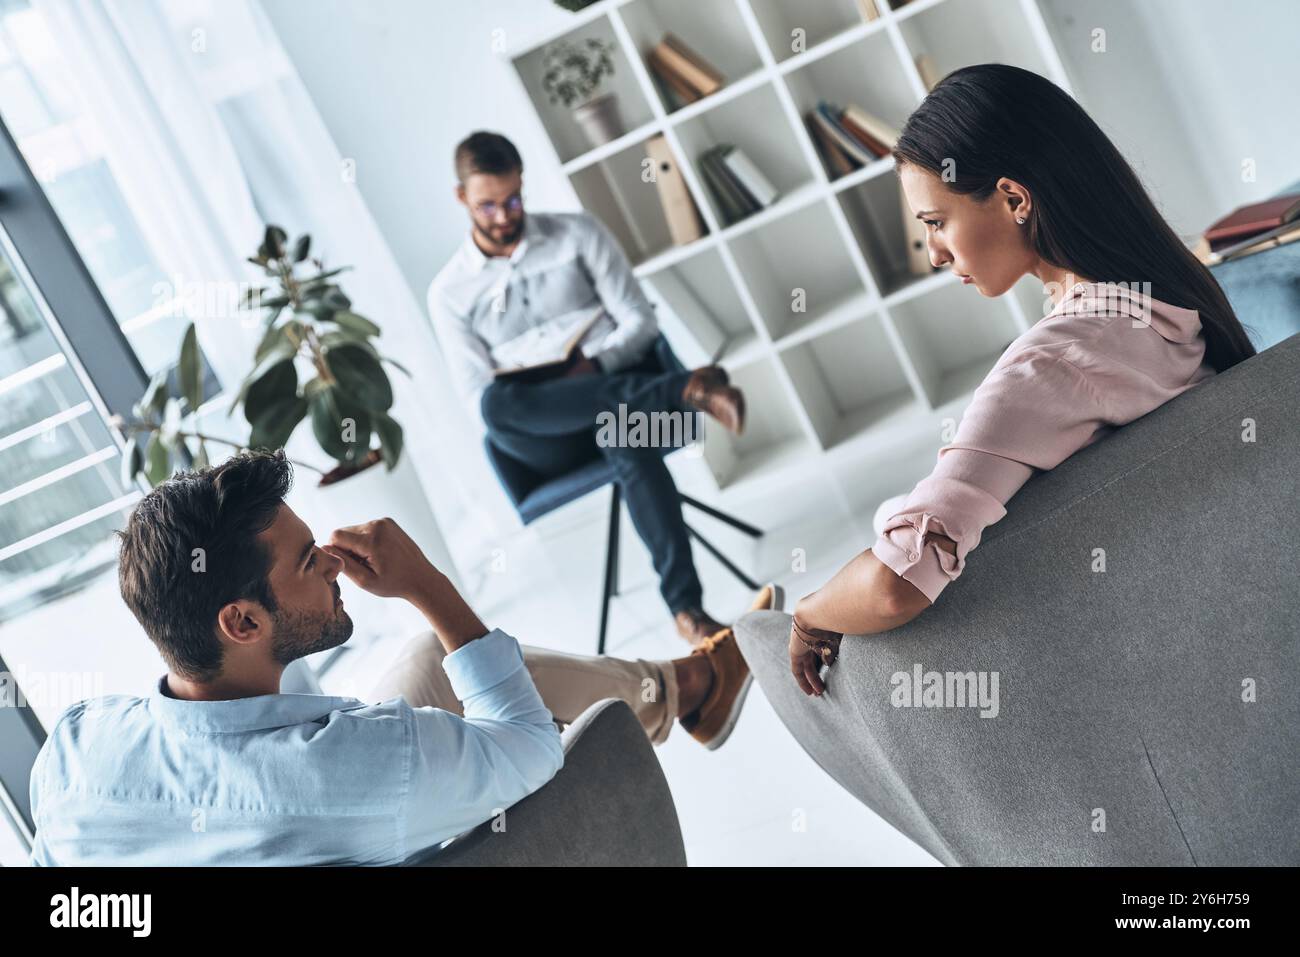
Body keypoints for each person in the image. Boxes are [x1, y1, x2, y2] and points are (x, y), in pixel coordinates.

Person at [27, 450, 778, 866]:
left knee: (425, 657)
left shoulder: (78, 746)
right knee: (449, 646)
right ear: (243, 619)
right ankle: (689, 686)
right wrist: (425, 582)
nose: (328, 559)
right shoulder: (347, 764)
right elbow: (528, 746)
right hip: (355, 800)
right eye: (303, 560)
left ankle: (685, 686)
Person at [773, 64, 1257, 696]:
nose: (935, 255)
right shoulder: (1170, 299)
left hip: (1107, 672)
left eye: (936, 222)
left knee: (800, 631)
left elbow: (898, 584)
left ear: (1014, 198)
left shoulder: (1047, 365)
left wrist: (808, 612)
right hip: (1214, 611)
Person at [428, 130, 745, 644]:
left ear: (523, 185)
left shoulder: (578, 235)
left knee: (623, 431)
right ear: (461, 198)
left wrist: (592, 367)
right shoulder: (448, 293)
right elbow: (475, 395)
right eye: (487, 206)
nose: (504, 216)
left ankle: (689, 613)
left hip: (610, 395)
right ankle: (681, 389)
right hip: (541, 438)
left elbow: (640, 323)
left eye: (513, 200)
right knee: (497, 406)